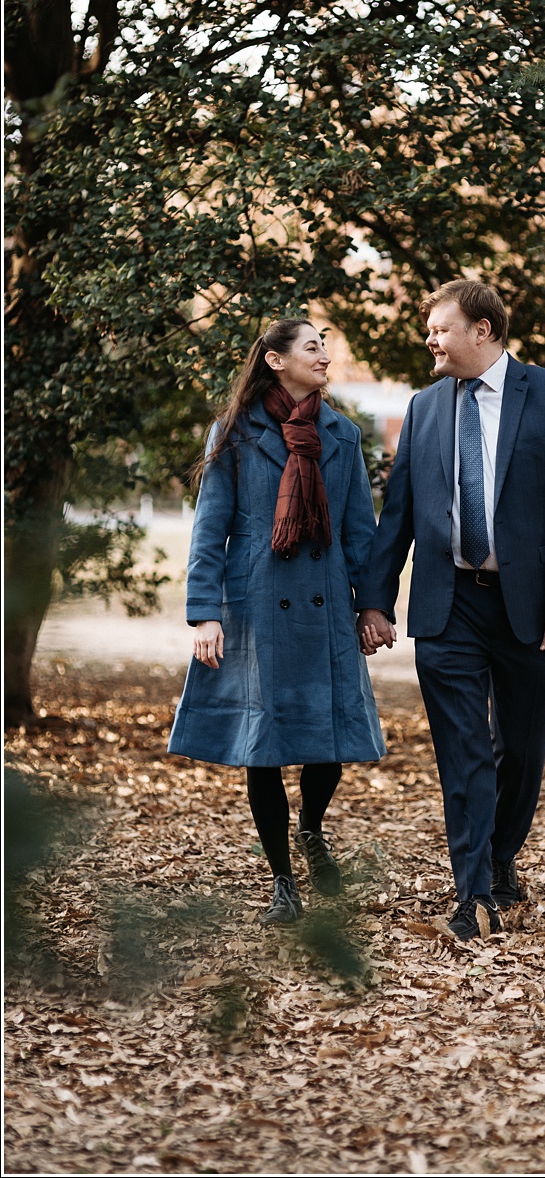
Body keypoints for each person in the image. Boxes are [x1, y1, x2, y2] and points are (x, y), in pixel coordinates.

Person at [357, 280, 545, 942]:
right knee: (463, 752)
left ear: (481, 331)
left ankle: (498, 852)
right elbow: (397, 514)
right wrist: (374, 598)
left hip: (531, 610)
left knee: (519, 749)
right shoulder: (424, 408)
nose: (430, 339)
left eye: (440, 328)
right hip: (448, 603)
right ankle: (474, 892)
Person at [169, 319, 386, 925]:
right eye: (312, 345)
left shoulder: (341, 433)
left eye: (325, 345)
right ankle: (283, 883)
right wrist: (204, 614)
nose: (325, 354)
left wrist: (371, 606)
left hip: (324, 603)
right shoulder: (235, 433)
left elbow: (358, 532)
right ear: (274, 360)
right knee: (262, 747)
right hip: (257, 602)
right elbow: (211, 528)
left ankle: (311, 828)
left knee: (328, 741)